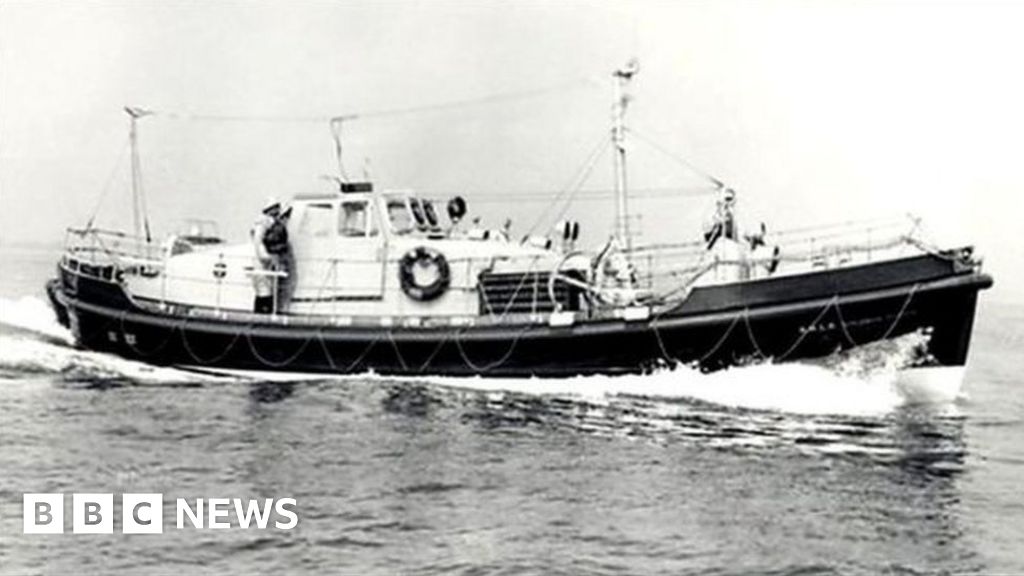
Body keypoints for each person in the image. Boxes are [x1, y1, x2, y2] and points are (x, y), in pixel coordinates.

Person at [251, 199, 291, 313]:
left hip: (271, 261)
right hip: (263, 262)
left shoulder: (273, 222)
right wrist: (266, 257)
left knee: (270, 289)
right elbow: (258, 241)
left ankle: (267, 311)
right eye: (275, 207)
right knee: (264, 291)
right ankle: (261, 314)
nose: (277, 210)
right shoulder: (263, 222)